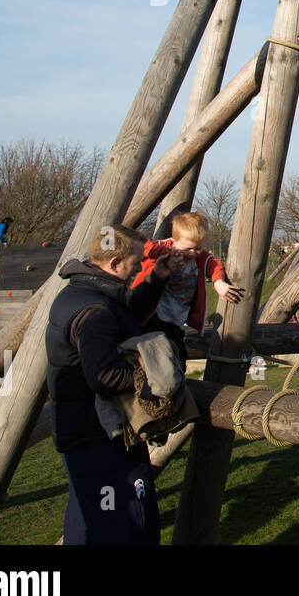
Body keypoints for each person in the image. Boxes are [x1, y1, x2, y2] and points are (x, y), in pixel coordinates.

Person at [46, 223, 179, 545]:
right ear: (115, 264)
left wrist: (157, 278)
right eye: (135, 264)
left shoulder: (83, 293)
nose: (137, 270)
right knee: (120, 526)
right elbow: (104, 375)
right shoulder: (94, 311)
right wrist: (155, 383)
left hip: (83, 432)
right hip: (101, 437)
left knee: (89, 519)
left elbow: (123, 313)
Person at [130, 212, 243, 355]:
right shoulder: (163, 249)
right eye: (186, 249)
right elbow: (143, 245)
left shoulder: (200, 258)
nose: (192, 253)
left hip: (176, 318)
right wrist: (165, 252)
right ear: (174, 241)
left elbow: (214, 265)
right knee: (156, 352)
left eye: (197, 248)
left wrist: (219, 283)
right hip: (153, 314)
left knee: (175, 351)